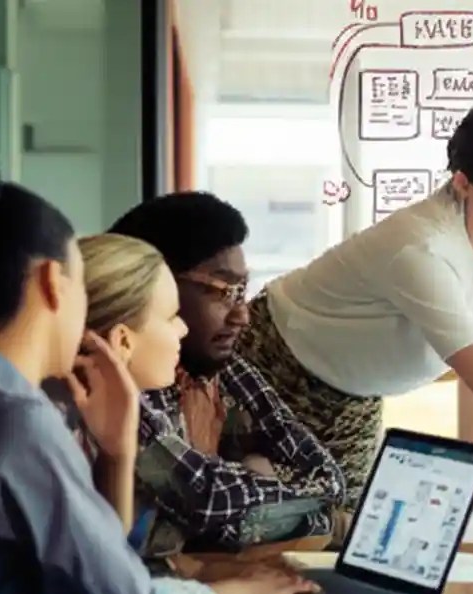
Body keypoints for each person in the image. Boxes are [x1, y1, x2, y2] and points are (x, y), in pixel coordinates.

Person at [0, 142, 313, 594]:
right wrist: (249, 592)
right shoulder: (16, 422)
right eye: (83, 287)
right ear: (51, 285)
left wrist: (116, 452)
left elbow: (102, 577)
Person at [237, 100, 473, 543]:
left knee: (343, 532)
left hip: (355, 389)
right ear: (464, 182)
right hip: (279, 355)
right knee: (285, 524)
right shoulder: (422, 250)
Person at [108, 193, 348, 552]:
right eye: (223, 291)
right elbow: (205, 504)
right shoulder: (127, 383)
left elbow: (328, 478)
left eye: (242, 291)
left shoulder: (226, 371)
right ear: (153, 289)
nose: (243, 315)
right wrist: (263, 484)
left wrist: (254, 496)